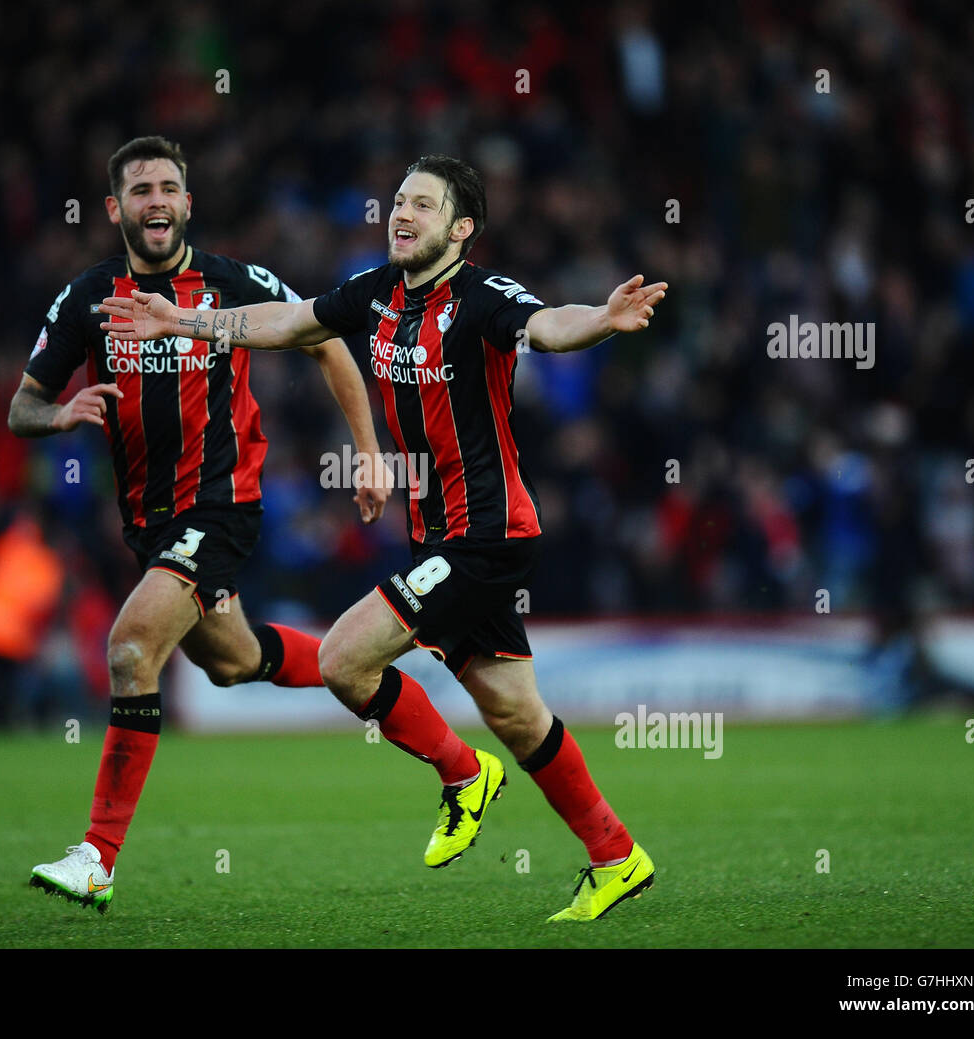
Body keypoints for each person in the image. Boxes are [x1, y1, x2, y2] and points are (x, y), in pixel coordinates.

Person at [101, 154, 668, 922]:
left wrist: (599, 320)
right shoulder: (374, 294)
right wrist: (185, 319)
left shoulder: (481, 296)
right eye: (398, 200)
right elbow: (285, 322)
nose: (401, 213)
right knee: (516, 714)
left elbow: (545, 324)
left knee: (342, 657)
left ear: (461, 228)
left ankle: (464, 777)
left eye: (423, 205)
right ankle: (616, 856)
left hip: (487, 537)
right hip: (439, 536)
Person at [9, 135, 395, 912]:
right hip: (150, 524)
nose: (157, 200)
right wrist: (61, 414)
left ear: (189, 201)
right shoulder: (87, 297)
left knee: (129, 649)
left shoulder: (233, 282)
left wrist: (369, 452)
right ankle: (400, 702)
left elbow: (330, 345)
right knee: (233, 660)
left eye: (169, 187)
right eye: (141, 188)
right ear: (116, 208)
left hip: (220, 507)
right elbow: (20, 406)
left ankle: (98, 855)